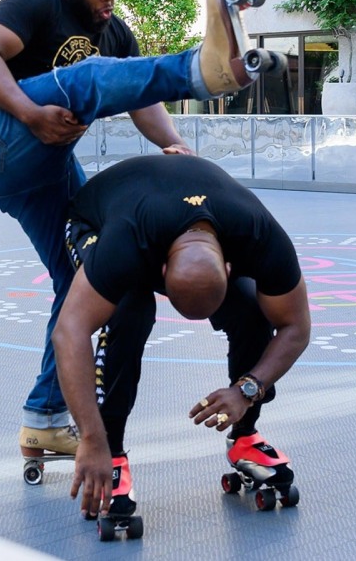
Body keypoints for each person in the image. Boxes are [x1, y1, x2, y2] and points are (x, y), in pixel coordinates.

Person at [0, 0, 270, 463]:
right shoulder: (35, 1)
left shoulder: (114, 30)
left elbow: (141, 100)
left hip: (41, 168)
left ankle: (44, 421)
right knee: (87, 78)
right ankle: (201, 70)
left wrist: (174, 144)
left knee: (86, 280)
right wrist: (29, 113)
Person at [52, 154, 311, 520]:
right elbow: (69, 332)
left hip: (177, 219)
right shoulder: (125, 241)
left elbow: (296, 326)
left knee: (251, 308)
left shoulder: (259, 233)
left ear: (229, 267)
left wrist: (247, 389)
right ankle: (112, 451)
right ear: (159, 270)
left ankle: (244, 436)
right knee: (130, 311)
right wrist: (92, 438)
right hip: (95, 219)